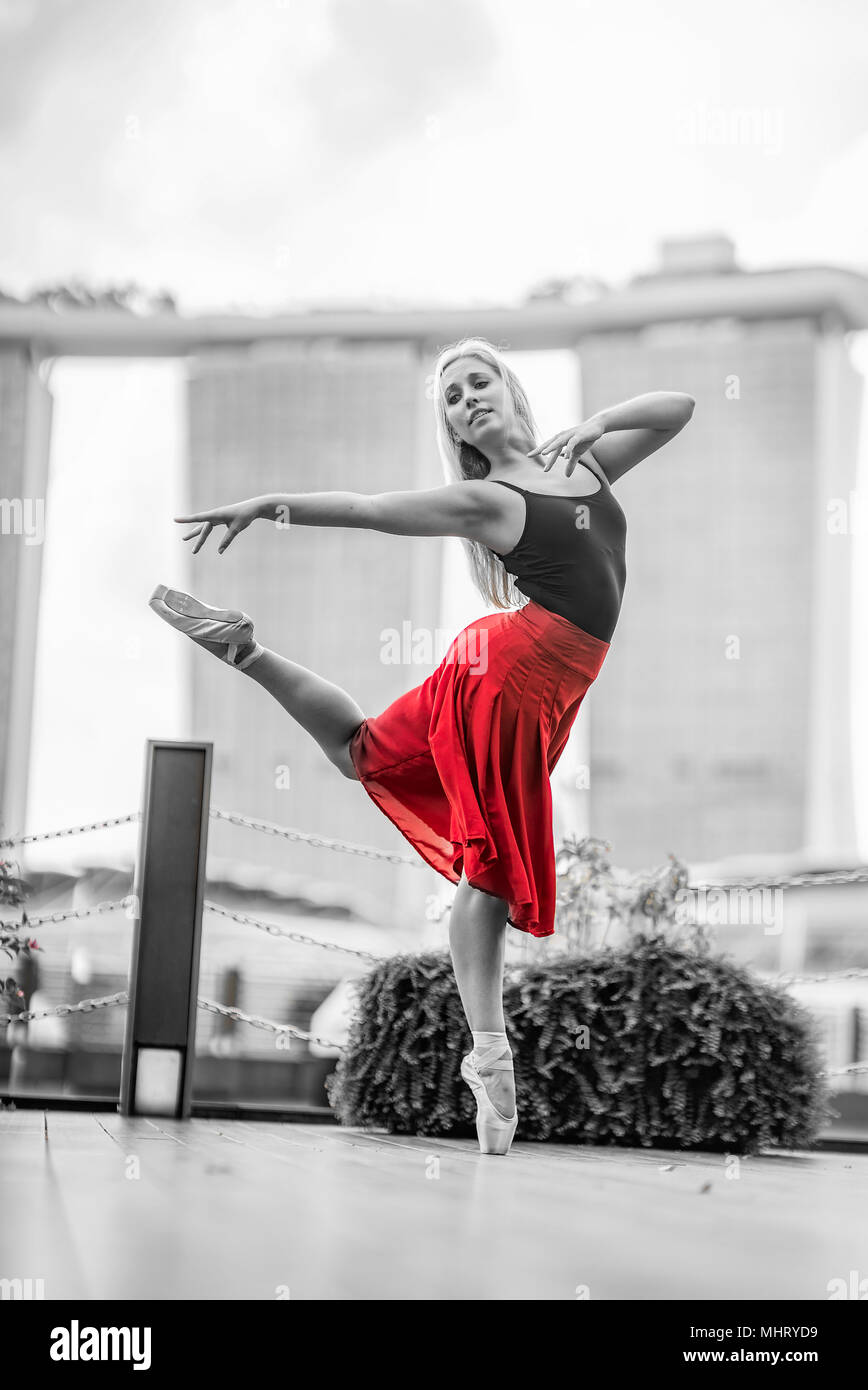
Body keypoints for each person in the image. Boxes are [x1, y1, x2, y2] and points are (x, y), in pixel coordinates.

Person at [150, 335, 694, 1154]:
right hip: (512, 673)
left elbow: (678, 411)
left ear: (510, 390)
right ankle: (490, 1057)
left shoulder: (584, 466)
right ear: (457, 429)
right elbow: (369, 509)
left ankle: (245, 650)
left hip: (524, 678)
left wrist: (599, 420)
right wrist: (270, 505)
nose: (467, 397)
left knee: (362, 750)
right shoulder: (490, 499)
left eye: (480, 382)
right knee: (489, 866)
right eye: (451, 396)